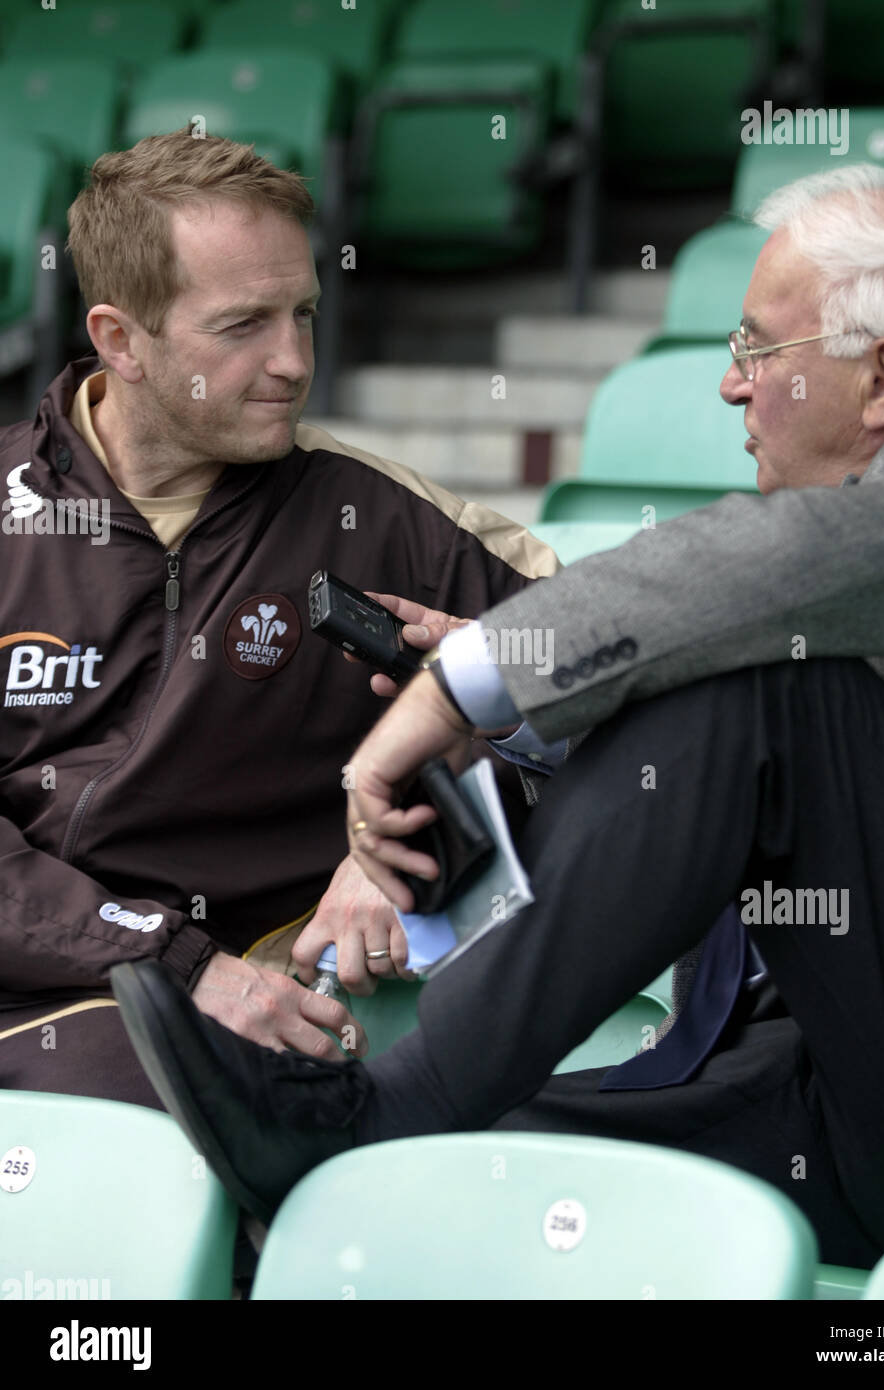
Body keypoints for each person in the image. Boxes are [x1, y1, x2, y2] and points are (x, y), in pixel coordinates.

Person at [111, 164, 884, 1268]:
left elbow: (773, 575)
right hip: (828, 1085)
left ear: (879, 380)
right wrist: (518, 729)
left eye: (757, 352)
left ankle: (382, 1107)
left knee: (758, 668)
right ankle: (364, 1143)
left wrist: (465, 681)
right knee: (434, 1182)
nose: (730, 389)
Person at [0, 129, 559, 1106]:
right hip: (112, 977)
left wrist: (415, 823)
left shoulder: (378, 513)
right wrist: (176, 960)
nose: (293, 361)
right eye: (242, 325)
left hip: (197, 1024)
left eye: (303, 312)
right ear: (119, 338)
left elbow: (619, 659)